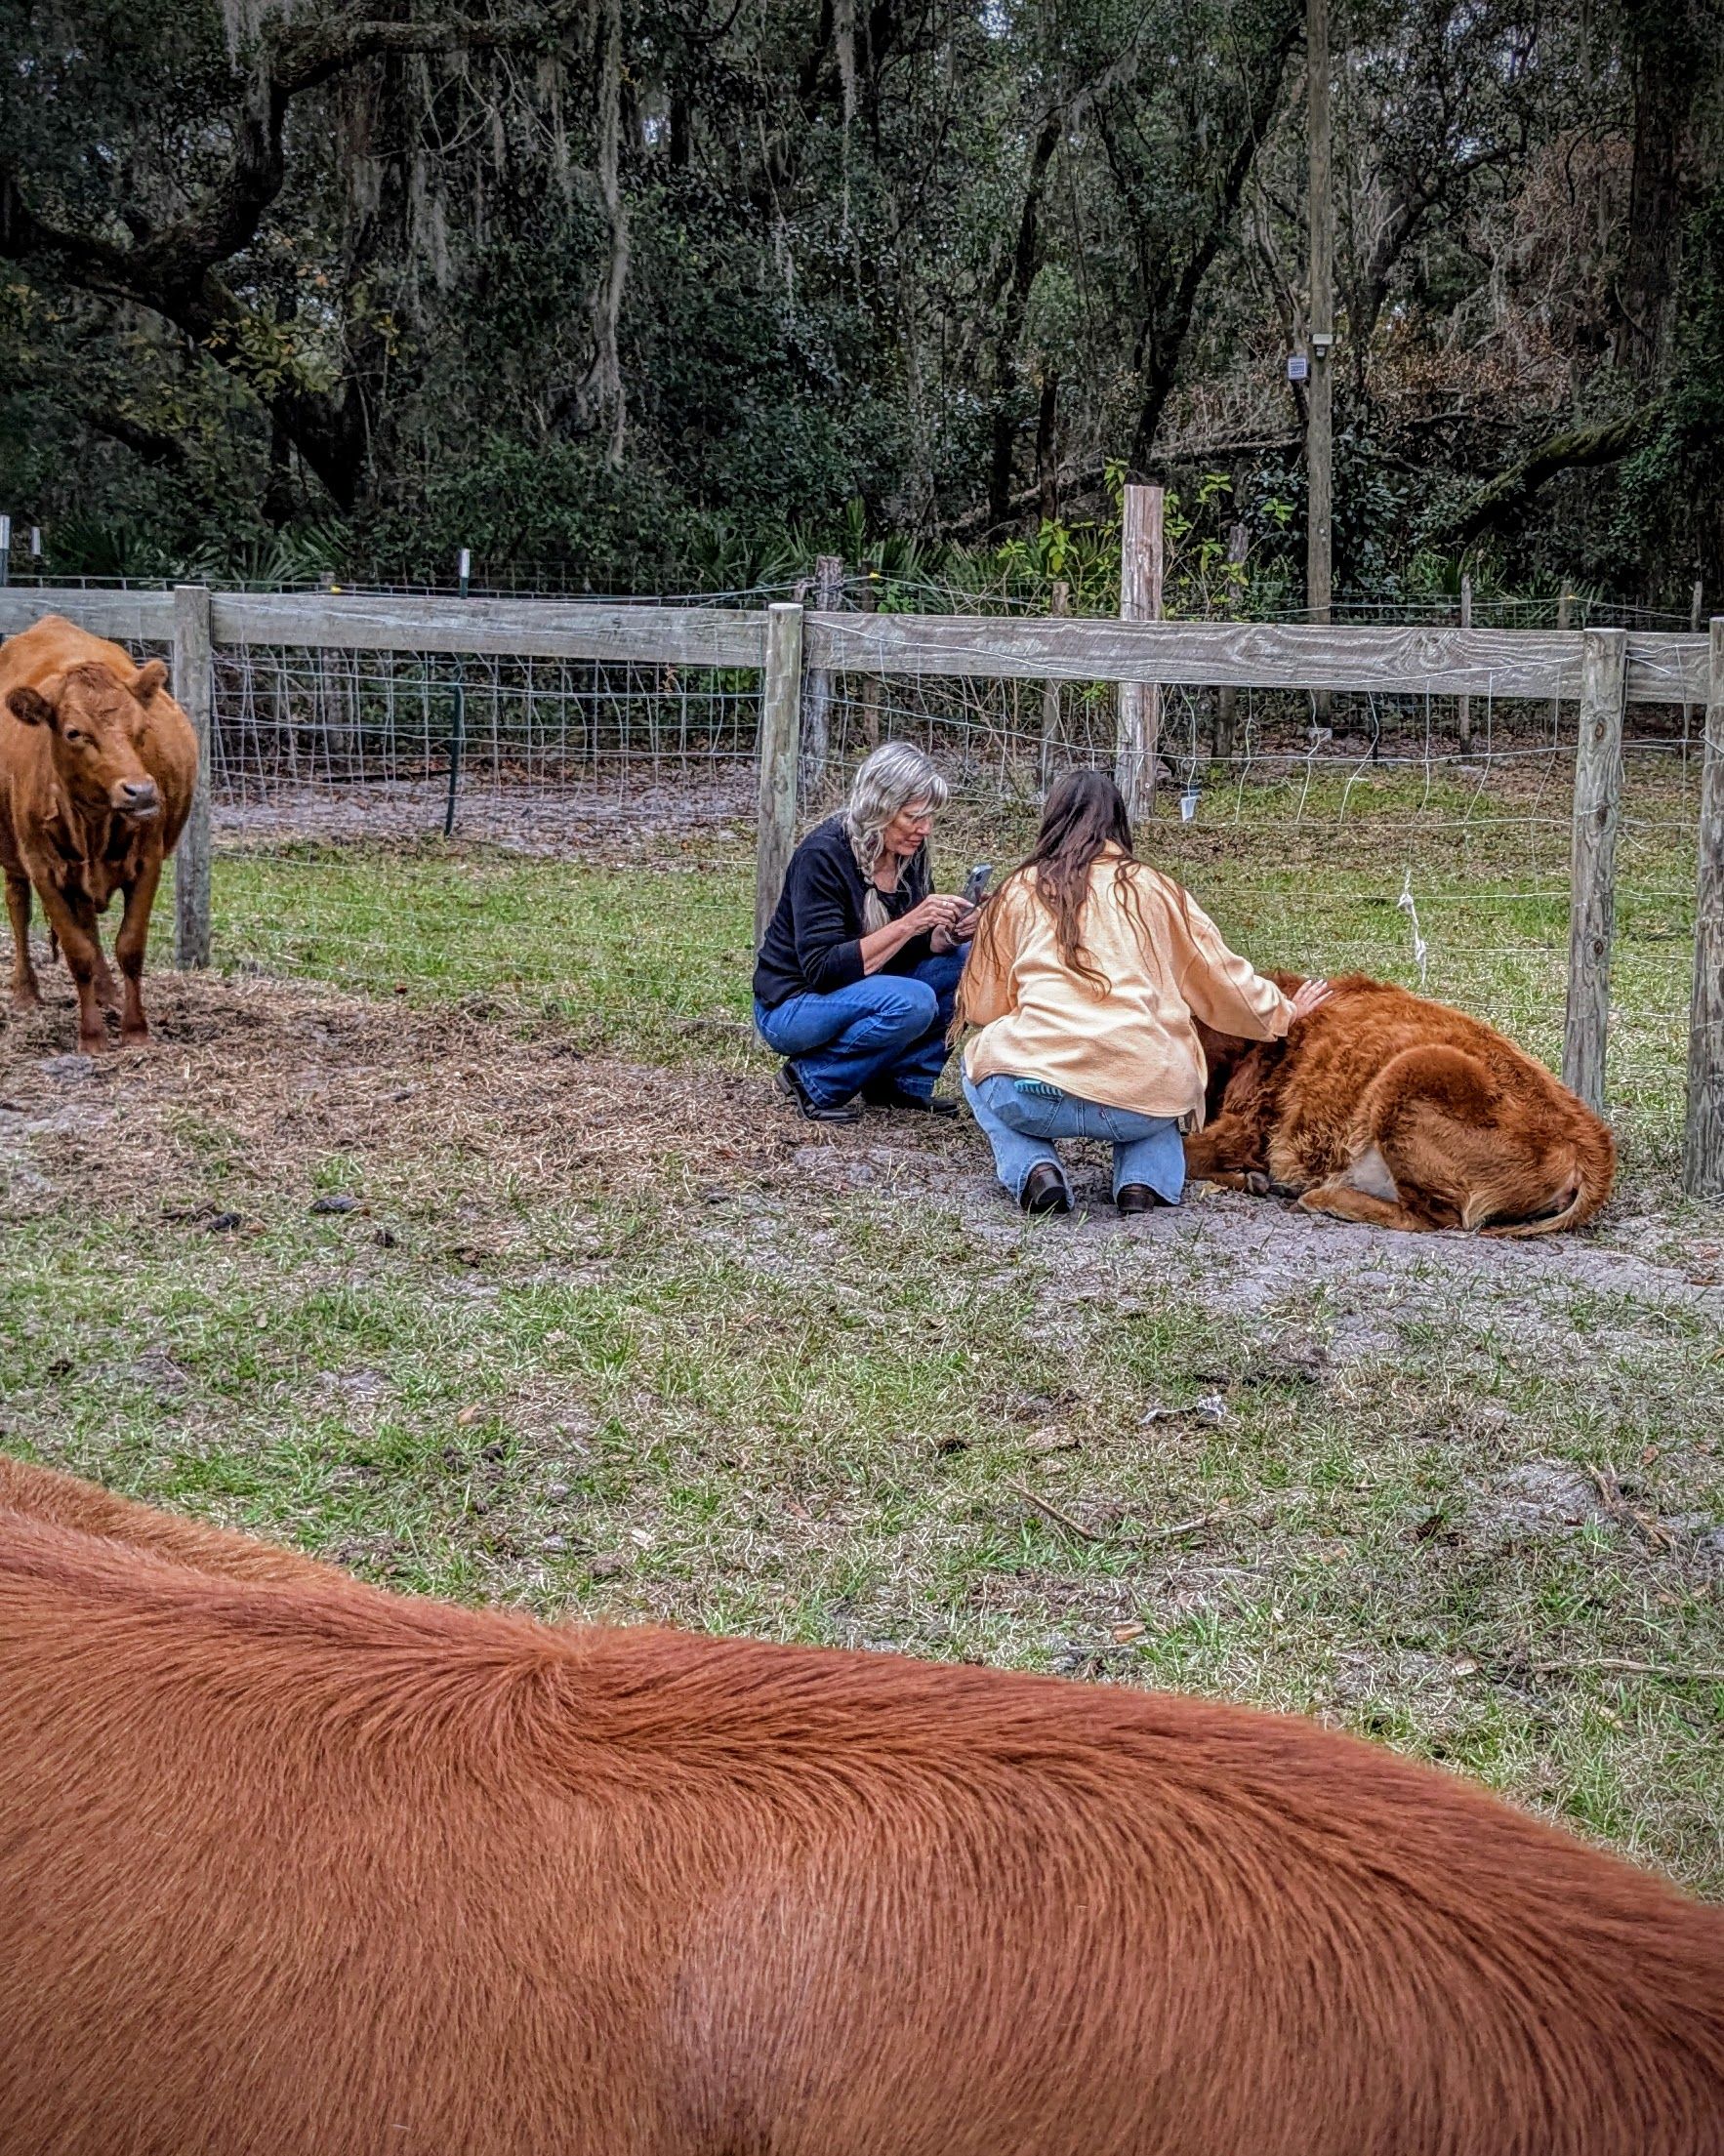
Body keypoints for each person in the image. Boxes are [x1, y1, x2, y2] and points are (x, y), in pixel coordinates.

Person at [953, 769, 1331, 1214]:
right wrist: (1283, 1011)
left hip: (1035, 1092)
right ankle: (1141, 1183)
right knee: (1163, 1087)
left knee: (977, 1065)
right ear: (1118, 820)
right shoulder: (1156, 888)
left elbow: (984, 1006)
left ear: (1051, 819)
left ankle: (1035, 1169)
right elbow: (1221, 977)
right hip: (1137, 1099)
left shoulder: (1018, 889)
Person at [754, 742, 976, 1124]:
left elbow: (910, 949)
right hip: (793, 1005)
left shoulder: (909, 853)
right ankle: (812, 1080)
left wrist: (948, 935)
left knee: (967, 962)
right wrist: (909, 923)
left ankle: (901, 1084)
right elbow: (823, 971)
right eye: (913, 817)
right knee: (913, 1001)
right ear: (880, 807)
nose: (925, 829)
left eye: (929, 817)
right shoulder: (823, 854)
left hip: (863, 988)